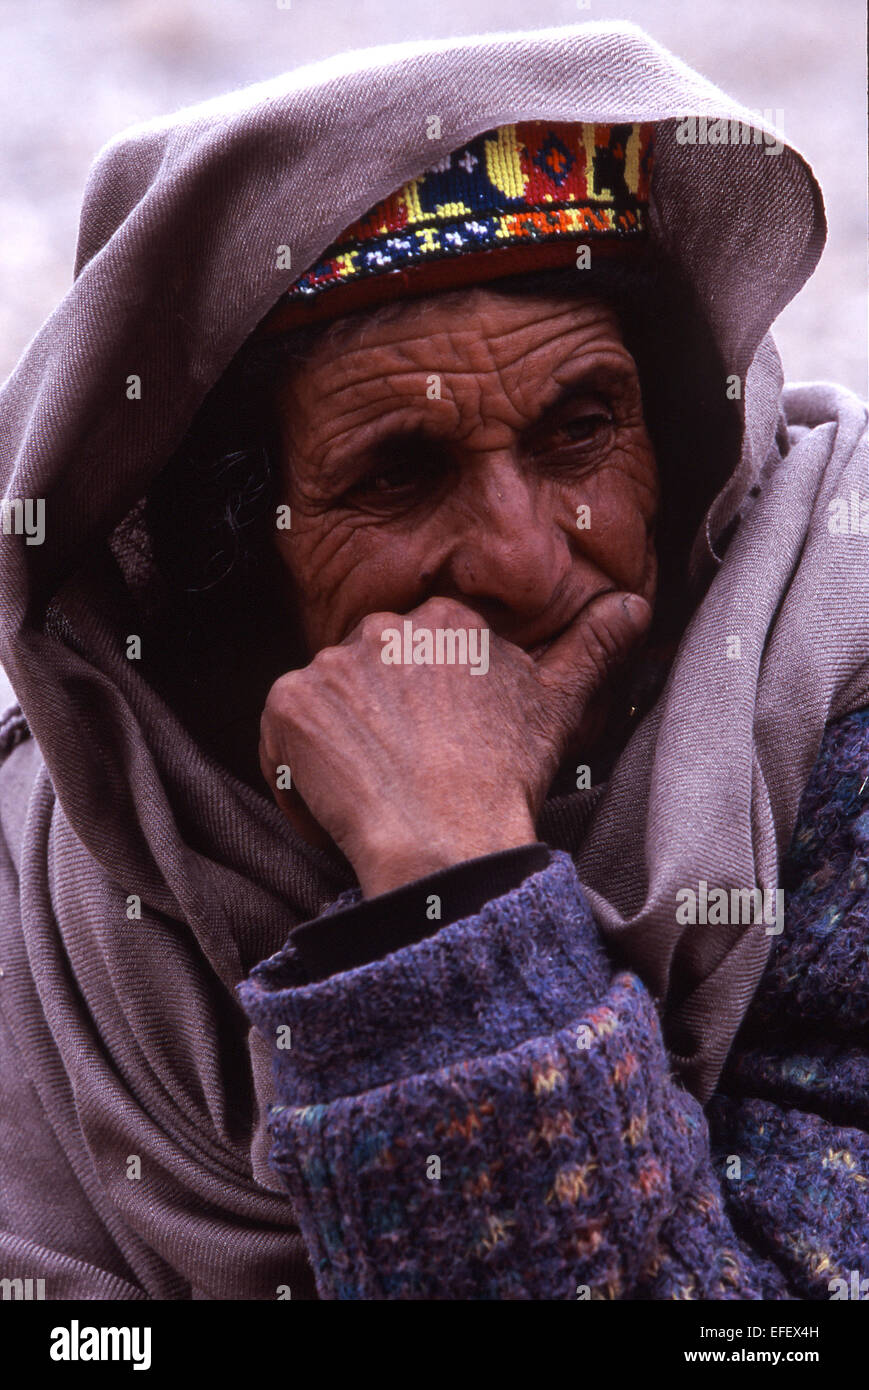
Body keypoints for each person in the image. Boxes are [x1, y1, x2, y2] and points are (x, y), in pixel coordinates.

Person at [0, 22, 867, 1302]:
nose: (520, 557)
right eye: (395, 474)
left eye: (580, 429)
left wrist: (446, 883)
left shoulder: (833, 741)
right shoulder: (66, 893)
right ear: (235, 571)